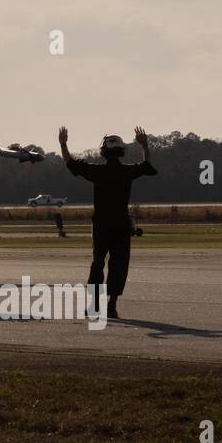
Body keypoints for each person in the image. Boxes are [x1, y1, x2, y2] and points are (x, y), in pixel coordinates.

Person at [58, 126, 156, 320]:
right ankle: (111, 305)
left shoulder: (97, 172)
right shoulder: (127, 172)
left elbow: (71, 163)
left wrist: (63, 143)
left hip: (101, 225)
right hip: (121, 225)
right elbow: (147, 166)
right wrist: (144, 144)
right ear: (121, 151)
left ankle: (94, 304)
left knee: (97, 264)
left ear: (103, 151)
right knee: (119, 265)